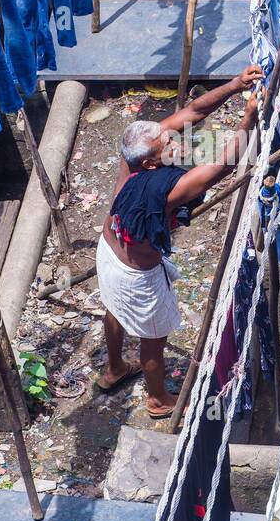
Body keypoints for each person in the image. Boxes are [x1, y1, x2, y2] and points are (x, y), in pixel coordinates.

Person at [96, 66, 263, 418]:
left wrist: (235, 85)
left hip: (108, 253)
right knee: (153, 343)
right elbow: (224, 165)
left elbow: (194, 112)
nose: (177, 141)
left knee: (113, 307)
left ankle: (114, 369)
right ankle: (158, 401)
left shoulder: (135, 155)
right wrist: (249, 117)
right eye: (169, 143)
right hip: (137, 276)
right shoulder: (167, 190)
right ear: (152, 163)